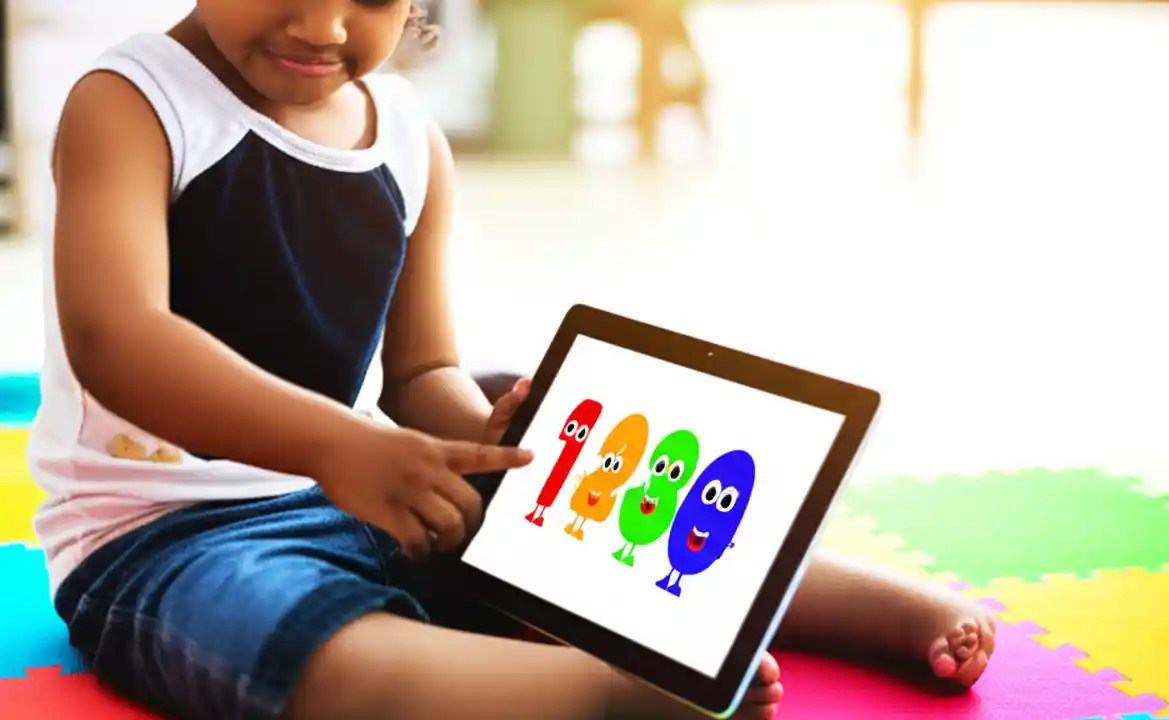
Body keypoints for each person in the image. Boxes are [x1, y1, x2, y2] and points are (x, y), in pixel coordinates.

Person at [28, 2, 995, 718]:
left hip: (361, 483)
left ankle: (840, 601)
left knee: (574, 488)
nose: (322, 24)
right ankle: (596, 693)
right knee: (295, 645)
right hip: (164, 534)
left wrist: (483, 439)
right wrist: (339, 450)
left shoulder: (407, 137)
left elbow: (419, 376)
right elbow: (120, 340)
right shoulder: (134, 103)